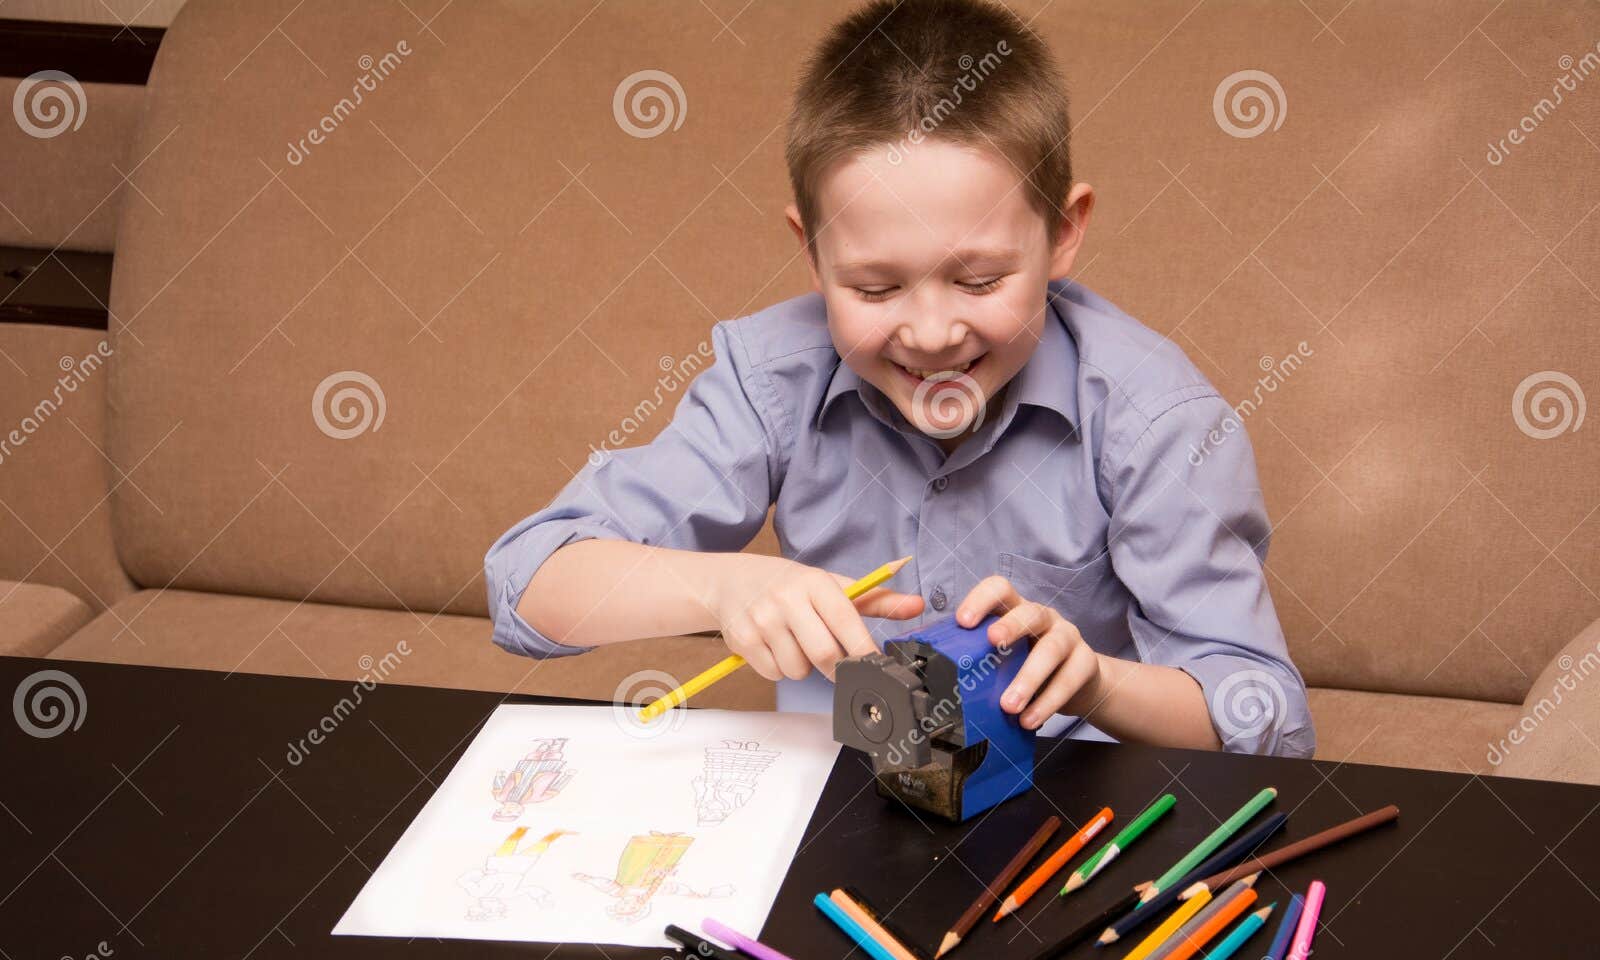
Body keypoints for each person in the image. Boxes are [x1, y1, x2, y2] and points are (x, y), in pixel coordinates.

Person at [484, 0, 1313, 758]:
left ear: (1063, 234)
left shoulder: (1158, 419)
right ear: (811, 253)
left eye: (980, 281)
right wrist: (725, 583)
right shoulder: (771, 379)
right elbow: (527, 581)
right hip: (833, 807)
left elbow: (1267, 719)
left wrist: (1099, 682)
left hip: (1062, 829)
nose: (929, 333)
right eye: (875, 290)